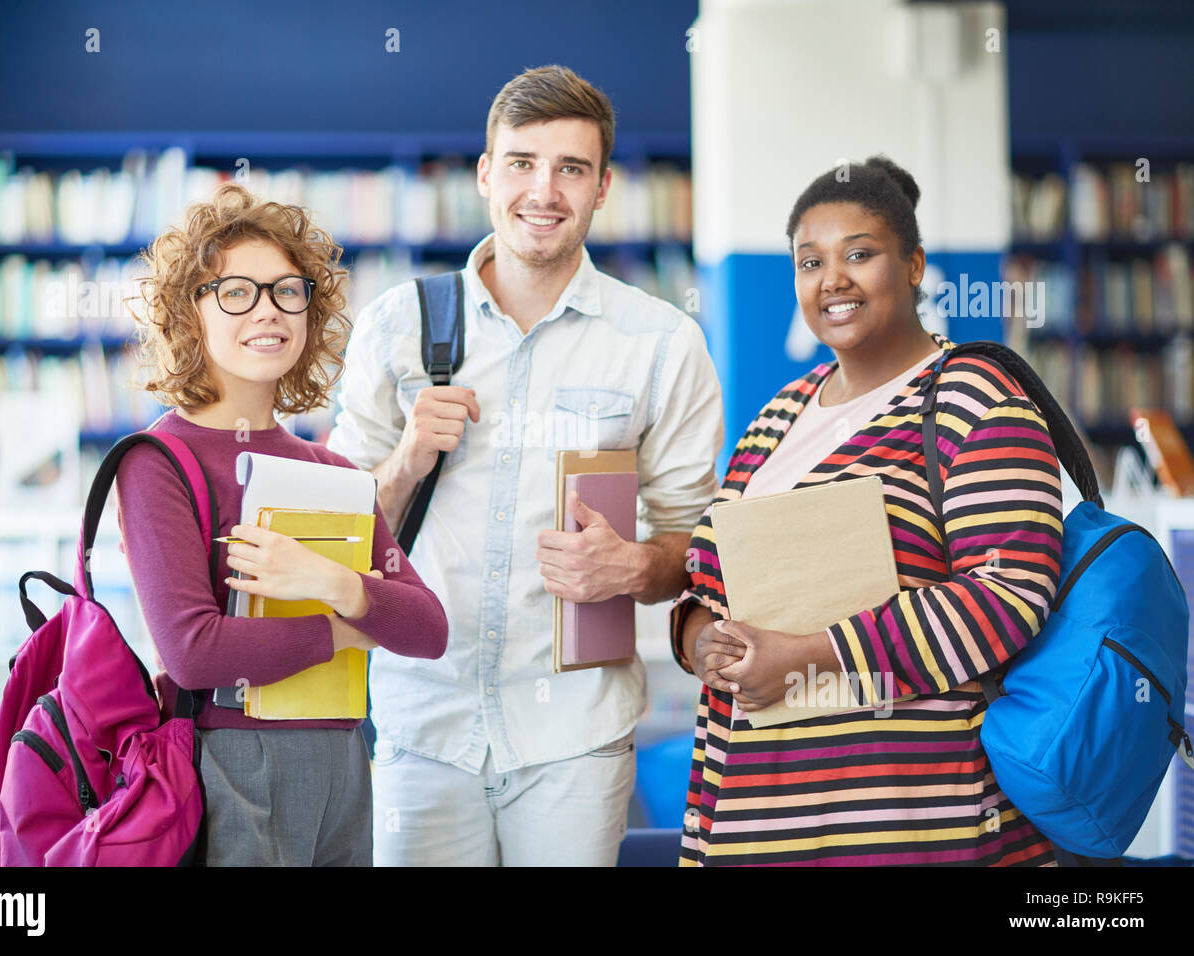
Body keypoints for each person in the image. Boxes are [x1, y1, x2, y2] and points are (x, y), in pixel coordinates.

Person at [328, 65, 723, 866]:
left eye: (571, 169)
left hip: (576, 737)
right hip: (420, 728)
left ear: (603, 186)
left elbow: (696, 546)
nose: (543, 190)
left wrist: (636, 564)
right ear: (484, 173)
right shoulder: (396, 327)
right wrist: (406, 459)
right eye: (521, 163)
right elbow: (336, 535)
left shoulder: (660, 342)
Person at [671, 156, 1063, 866]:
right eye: (810, 261)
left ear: (913, 265)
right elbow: (706, 572)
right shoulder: (779, 414)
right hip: (758, 802)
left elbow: (1010, 595)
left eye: (860, 254)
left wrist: (810, 657)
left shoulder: (976, 397)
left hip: (909, 813)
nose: (833, 280)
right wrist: (701, 639)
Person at [116, 183, 447, 866]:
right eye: (236, 291)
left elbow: (429, 628)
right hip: (231, 761)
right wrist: (344, 629)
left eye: (287, 291)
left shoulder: (327, 467)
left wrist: (332, 581)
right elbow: (194, 652)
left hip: (346, 756)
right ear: (189, 315)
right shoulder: (158, 462)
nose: (267, 311)